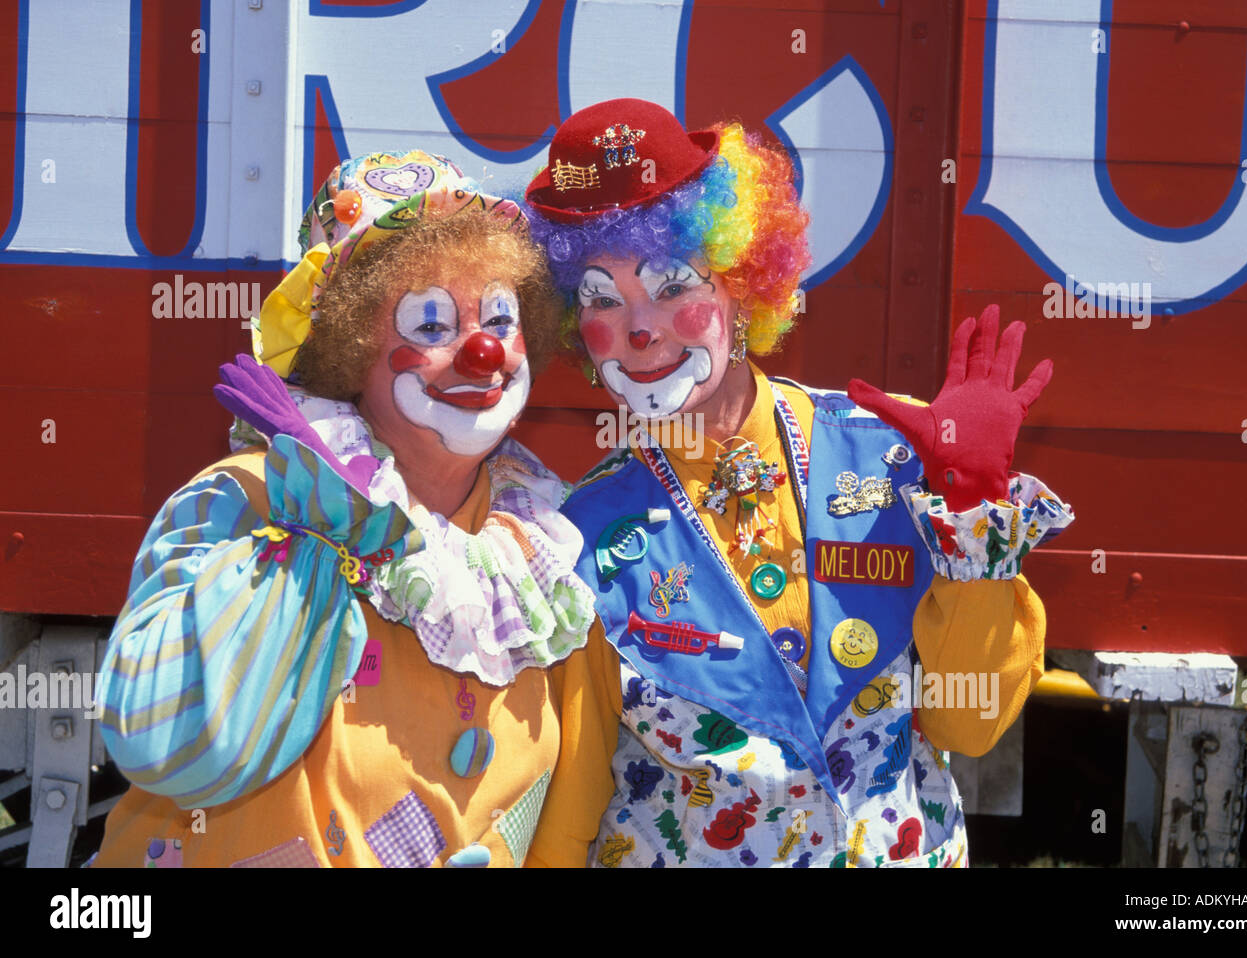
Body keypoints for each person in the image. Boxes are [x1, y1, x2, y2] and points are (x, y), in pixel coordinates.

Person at [523, 99, 1076, 867]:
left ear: (740, 287)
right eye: (601, 300)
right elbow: (572, 800)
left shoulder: (891, 450)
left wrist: (972, 501)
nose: (639, 329)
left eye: (673, 285)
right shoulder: (582, 537)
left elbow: (969, 726)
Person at [92, 150, 613, 868]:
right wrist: (317, 523)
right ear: (349, 350)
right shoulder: (248, 498)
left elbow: (568, 813)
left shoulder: (540, 546)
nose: (484, 351)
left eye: (498, 315)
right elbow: (169, 744)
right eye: (430, 324)